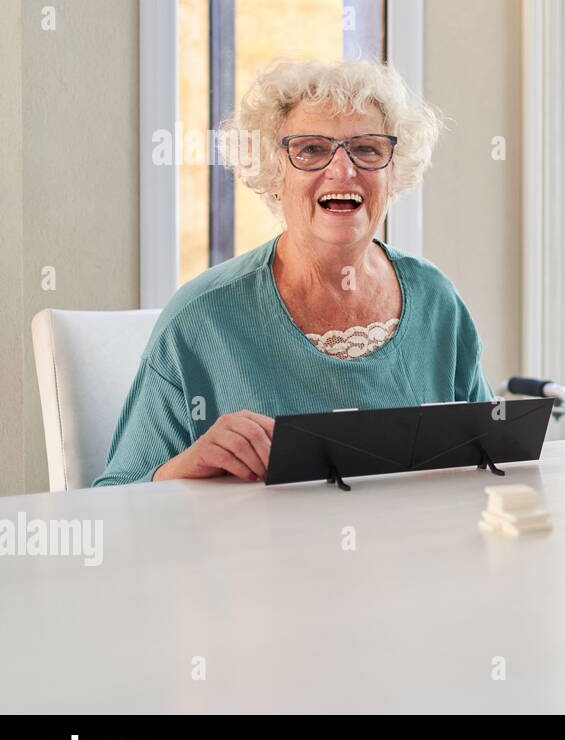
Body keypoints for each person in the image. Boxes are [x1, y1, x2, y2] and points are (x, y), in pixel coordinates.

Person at [94, 59, 491, 486]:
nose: (343, 170)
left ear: (394, 174)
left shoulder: (435, 298)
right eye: (311, 149)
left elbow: (489, 460)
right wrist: (190, 466)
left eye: (368, 148)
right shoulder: (201, 318)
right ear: (273, 174)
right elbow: (115, 499)